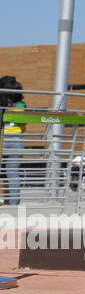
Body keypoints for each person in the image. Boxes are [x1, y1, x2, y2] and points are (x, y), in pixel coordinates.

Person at [2, 77, 26, 206]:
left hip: (2, 137)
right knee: (13, 173)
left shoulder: (2, 102)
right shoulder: (21, 105)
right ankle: (14, 202)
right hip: (16, 139)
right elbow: (23, 125)